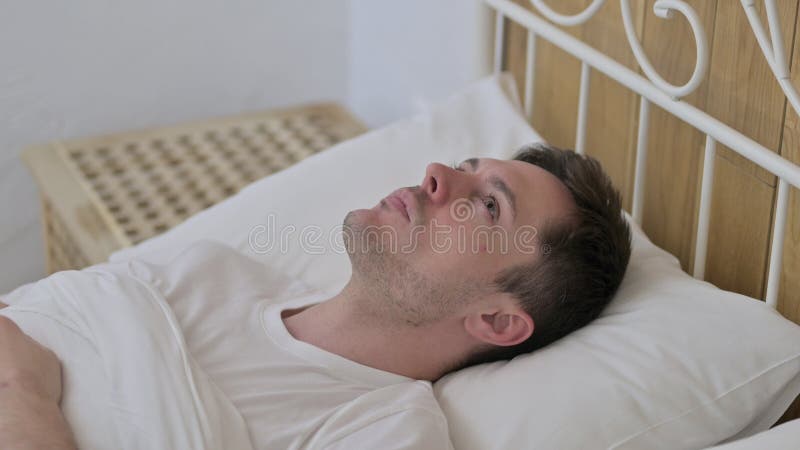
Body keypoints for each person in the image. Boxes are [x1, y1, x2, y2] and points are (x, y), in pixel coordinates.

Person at [0, 143, 631, 449]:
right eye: (465, 165)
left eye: (489, 204)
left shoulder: (383, 433)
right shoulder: (211, 271)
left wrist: (26, 399)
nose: (439, 175)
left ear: (496, 318)